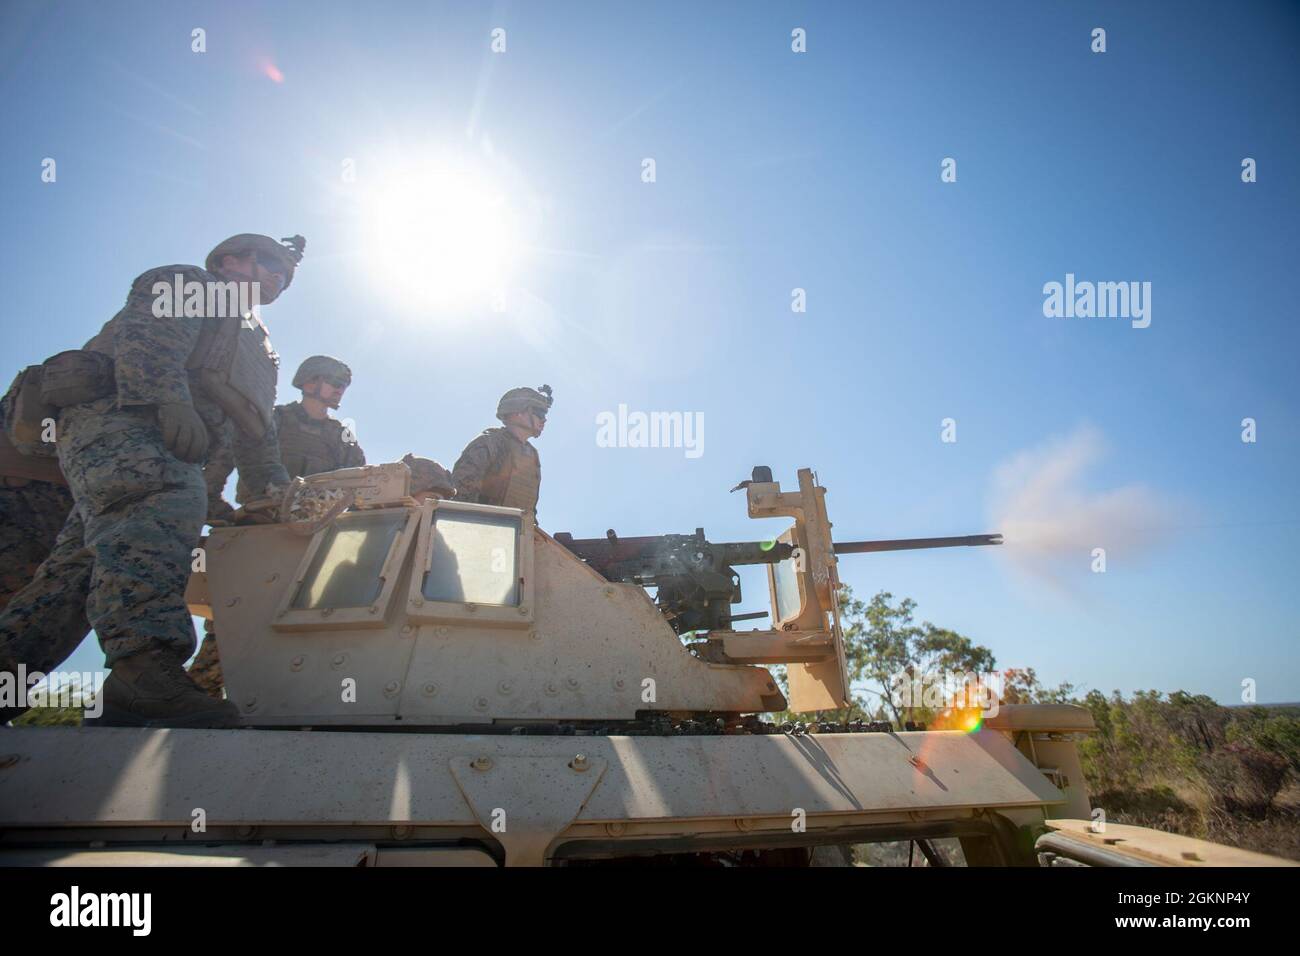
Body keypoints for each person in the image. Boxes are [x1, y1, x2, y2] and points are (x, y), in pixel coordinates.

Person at [0, 233, 302, 727]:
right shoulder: (192, 283)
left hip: (164, 444)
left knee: (78, 571)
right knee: (157, 503)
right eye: (269, 262)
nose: (277, 276)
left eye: (285, 275)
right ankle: (142, 672)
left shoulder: (258, 346)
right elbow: (148, 337)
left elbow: (255, 426)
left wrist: (274, 493)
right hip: (120, 416)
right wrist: (167, 399)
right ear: (229, 260)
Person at [191, 354, 365, 696]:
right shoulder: (273, 419)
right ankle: (199, 695)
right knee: (234, 619)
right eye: (335, 383)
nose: (340, 391)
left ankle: (283, 702)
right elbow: (223, 461)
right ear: (310, 382)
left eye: (343, 386)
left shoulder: (339, 435)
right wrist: (218, 510)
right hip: (260, 531)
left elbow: (357, 484)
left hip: (315, 538)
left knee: (309, 621)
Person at [452, 385, 551, 517]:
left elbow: (529, 509)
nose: (544, 419)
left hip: (515, 532)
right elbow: (461, 495)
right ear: (517, 412)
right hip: (480, 527)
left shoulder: (532, 455)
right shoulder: (490, 442)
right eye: (539, 413)